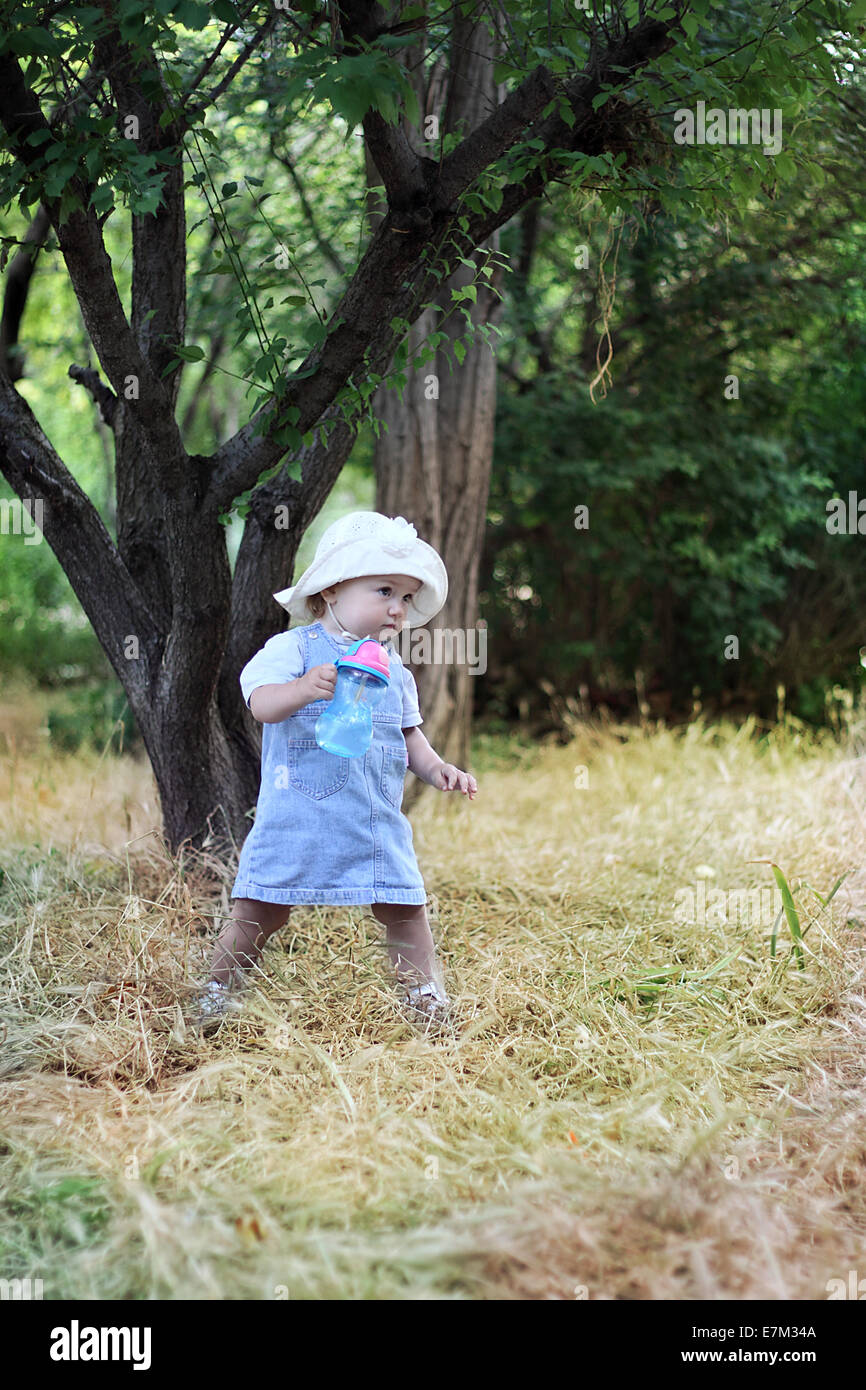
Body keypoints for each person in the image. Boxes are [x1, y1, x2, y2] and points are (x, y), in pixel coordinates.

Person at [191, 511, 478, 1035]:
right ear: (331, 591)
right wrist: (301, 690)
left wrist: (439, 770)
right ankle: (218, 990)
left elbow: (407, 734)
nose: (398, 608)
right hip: (298, 814)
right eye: (385, 590)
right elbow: (259, 703)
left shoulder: (395, 671)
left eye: (407, 599)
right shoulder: (293, 650)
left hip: (372, 821)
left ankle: (423, 996)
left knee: (404, 907)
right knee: (261, 909)